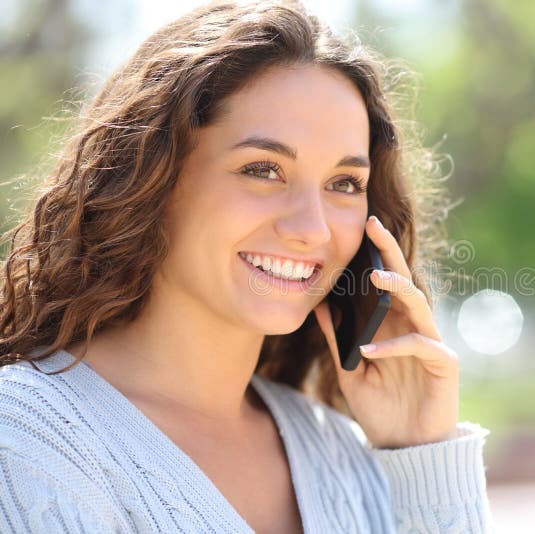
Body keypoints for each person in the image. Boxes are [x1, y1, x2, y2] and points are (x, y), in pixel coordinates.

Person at [0, 0, 494, 532]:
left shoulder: (346, 455)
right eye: (263, 170)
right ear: (152, 178)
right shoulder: (29, 446)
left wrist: (423, 456)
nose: (313, 228)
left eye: (344, 184)